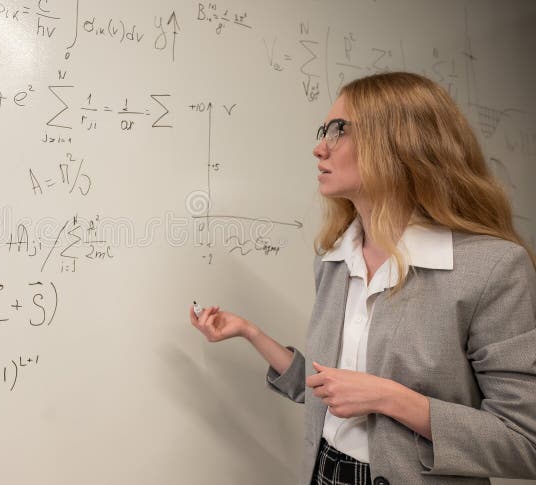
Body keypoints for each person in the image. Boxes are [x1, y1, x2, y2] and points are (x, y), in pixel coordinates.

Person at [190, 72, 536, 485]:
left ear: (399, 141)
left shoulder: (492, 268)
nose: (320, 147)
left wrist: (390, 399)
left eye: (338, 130)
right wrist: (248, 331)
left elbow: (524, 441)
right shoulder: (334, 260)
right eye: (324, 130)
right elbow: (329, 390)